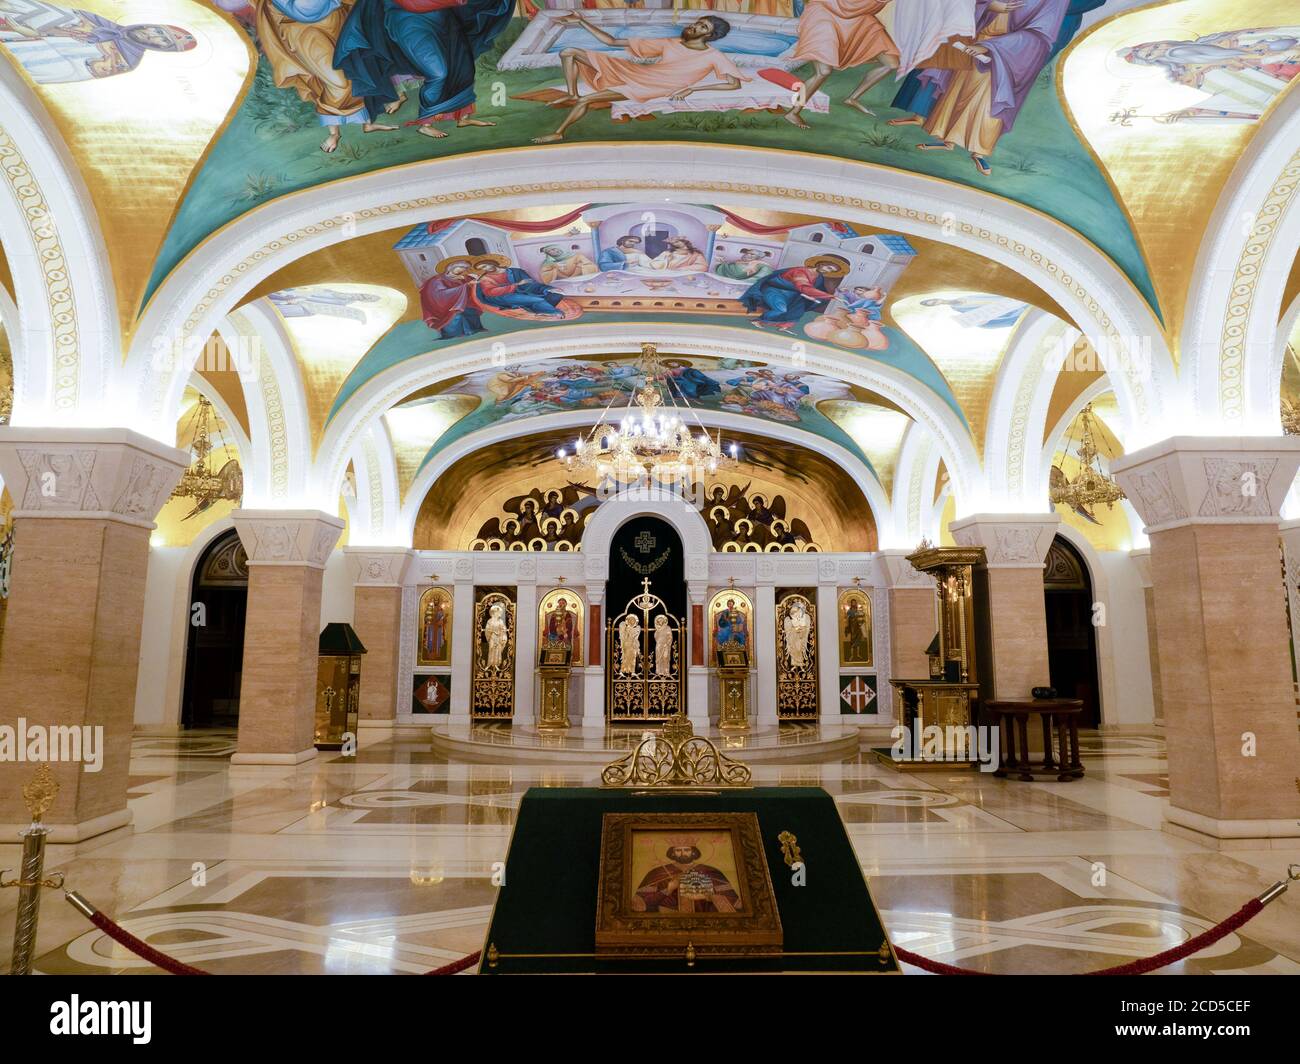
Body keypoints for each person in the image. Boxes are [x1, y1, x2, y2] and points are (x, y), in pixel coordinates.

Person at [910, 0, 1069, 177]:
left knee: (990, 100)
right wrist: (988, 6)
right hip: (976, 41)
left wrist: (991, 48)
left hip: (1006, 55)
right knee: (957, 91)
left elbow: (1040, 36)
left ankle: (979, 151)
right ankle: (946, 139)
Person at [531, 14, 749, 143]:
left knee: (586, 100)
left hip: (652, 87)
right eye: (697, 22)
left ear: (709, 36)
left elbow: (734, 84)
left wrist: (692, 89)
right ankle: (571, 92)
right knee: (568, 51)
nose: (694, 26)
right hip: (638, 73)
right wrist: (581, 21)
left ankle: (558, 133)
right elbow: (612, 42)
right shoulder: (670, 42)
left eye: (703, 27)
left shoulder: (714, 56)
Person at [333, 0, 510, 141]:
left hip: (443, 18)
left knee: (462, 65)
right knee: (438, 72)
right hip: (409, 20)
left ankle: (463, 117)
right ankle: (425, 124)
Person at [254, 0, 397, 154]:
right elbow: (304, 10)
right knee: (339, 82)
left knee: (353, 70)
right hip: (305, 31)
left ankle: (367, 121)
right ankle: (334, 133)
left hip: (337, 20)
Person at [0, 0, 195, 83]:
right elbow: (55, 17)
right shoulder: (100, 22)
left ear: (162, 49)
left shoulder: (126, 60)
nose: (152, 35)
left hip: (26, 53)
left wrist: (31, 35)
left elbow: (67, 68)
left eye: (162, 41)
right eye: (158, 30)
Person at [784, 0, 899, 128]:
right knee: (823, 72)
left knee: (891, 63)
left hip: (857, 18)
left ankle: (852, 99)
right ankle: (793, 112)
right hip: (825, 13)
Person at [632, 839, 741, 913]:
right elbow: (639, 904)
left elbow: (736, 903)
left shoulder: (710, 871)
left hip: (704, 920)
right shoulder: (658, 872)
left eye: (687, 850)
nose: (683, 853)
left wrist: (709, 896)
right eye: (678, 850)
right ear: (673, 853)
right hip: (668, 921)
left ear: (693, 852)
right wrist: (668, 890)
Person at [740, 255, 846, 330]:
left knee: (800, 305)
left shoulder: (819, 277)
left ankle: (782, 324)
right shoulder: (801, 271)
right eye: (828, 267)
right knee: (781, 309)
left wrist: (819, 297)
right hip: (775, 290)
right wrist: (830, 296)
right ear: (821, 264)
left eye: (831, 271)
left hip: (791, 295)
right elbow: (804, 287)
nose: (828, 271)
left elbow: (819, 289)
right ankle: (759, 320)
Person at [471, 256, 572, 318]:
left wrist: (547, 288)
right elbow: (491, 292)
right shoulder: (485, 278)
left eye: (485, 266)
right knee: (536, 299)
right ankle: (555, 312)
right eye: (481, 268)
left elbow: (530, 284)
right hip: (502, 296)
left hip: (522, 292)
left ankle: (540, 310)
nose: (485, 269)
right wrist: (516, 285)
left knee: (555, 295)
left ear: (492, 263)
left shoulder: (515, 271)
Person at [418, 257, 484, 337]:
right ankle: (453, 334)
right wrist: (465, 286)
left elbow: (474, 285)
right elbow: (439, 295)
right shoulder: (437, 280)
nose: (462, 270)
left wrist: (475, 283)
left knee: (471, 310)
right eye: (460, 267)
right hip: (445, 308)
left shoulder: (464, 278)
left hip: (463, 304)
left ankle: (474, 329)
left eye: (465, 268)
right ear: (450, 268)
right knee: (457, 315)